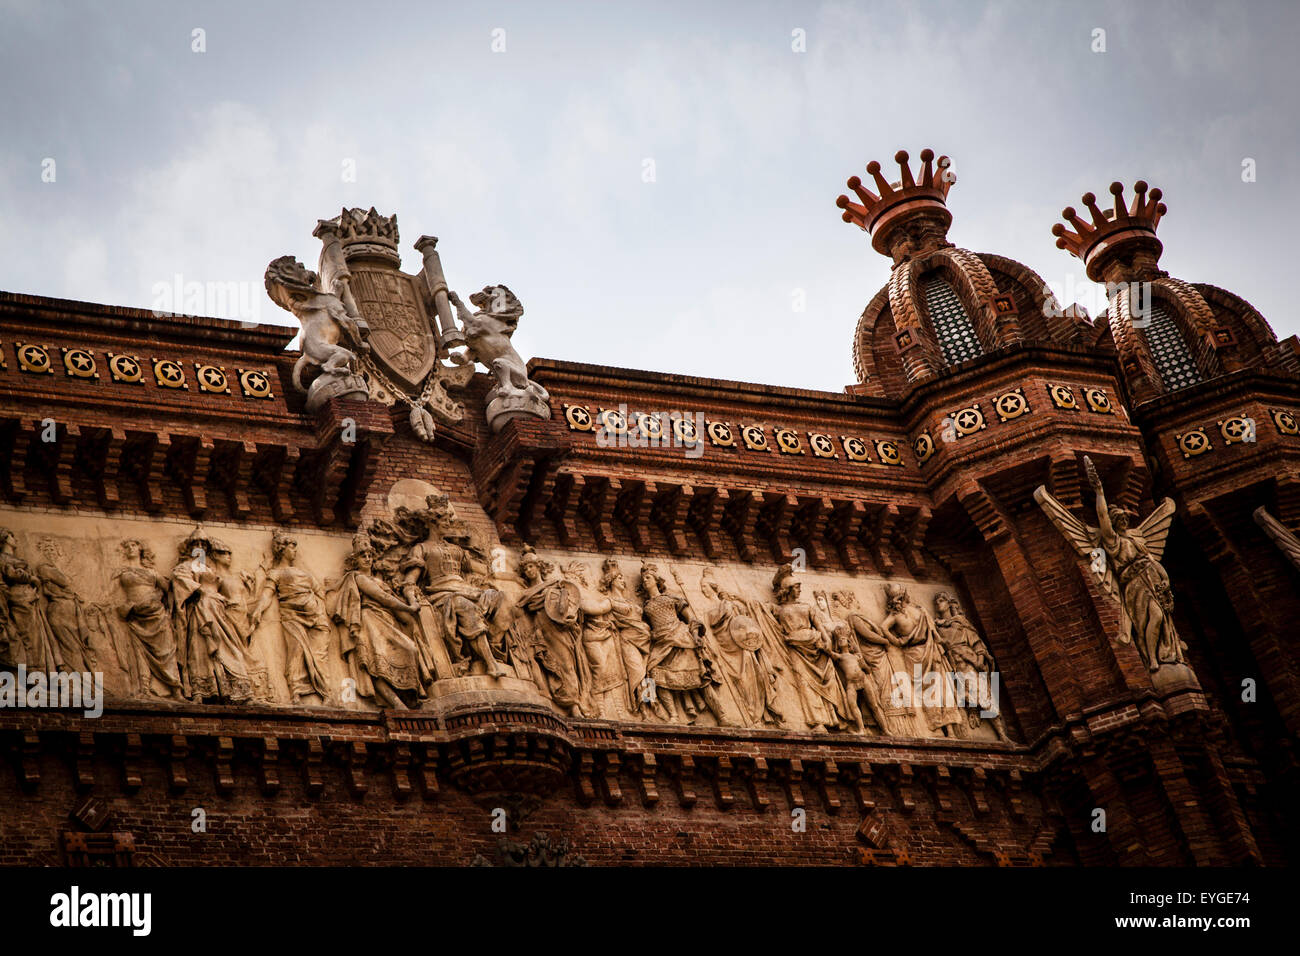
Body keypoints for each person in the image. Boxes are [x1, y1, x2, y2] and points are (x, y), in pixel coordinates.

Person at [331, 532, 430, 709]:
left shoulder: (378, 579)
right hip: (370, 620)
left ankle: (407, 698)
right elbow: (382, 597)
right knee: (375, 663)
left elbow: (391, 600)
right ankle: (396, 704)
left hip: (387, 619)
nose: (367, 558)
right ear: (355, 560)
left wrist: (410, 611)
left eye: (370, 555)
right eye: (363, 555)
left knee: (411, 649)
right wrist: (408, 607)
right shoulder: (359, 578)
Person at [640, 563, 729, 726]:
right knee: (651, 673)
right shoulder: (645, 606)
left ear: (657, 580)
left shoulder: (672, 598)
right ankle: (667, 714)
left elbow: (691, 619)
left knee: (701, 678)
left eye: (648, 578)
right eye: (643, 579)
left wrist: (695, 635)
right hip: (661, 641)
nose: (645, 581)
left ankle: (722, 717)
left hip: (681, 638)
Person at [111, 539, 183, 699]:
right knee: (139, 653)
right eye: (127, 546)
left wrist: (156, 597)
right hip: (135, 616)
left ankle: (176, 690)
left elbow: (170, 592)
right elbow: (111, 595)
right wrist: (125, 607)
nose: (130, 548)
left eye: (133, 545)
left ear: (141, 549)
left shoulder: (152, 572)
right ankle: (144, 689)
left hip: (157, 615)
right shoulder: (121, 572)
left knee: (167, 652)